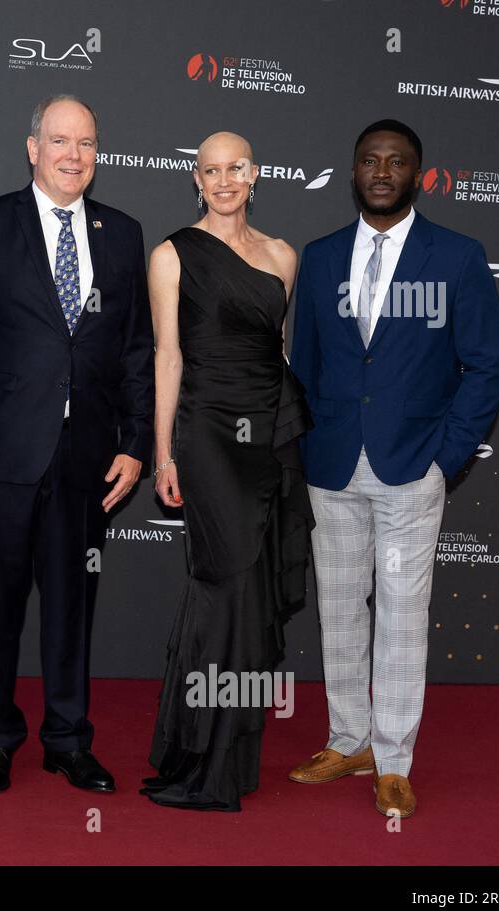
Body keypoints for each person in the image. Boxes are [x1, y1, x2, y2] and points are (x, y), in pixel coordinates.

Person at [288, 119, 499, 817]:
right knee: (340, 610)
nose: (382, 171)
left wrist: (446, 456)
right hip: (331, 463)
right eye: (369, 160)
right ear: (353, 171)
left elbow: (487, 365)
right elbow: (307, 365)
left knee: (403, 617)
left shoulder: (458, 256)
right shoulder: (320, 258)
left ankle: (394, 758)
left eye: (397, 161)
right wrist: (309, 447)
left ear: (419, 174)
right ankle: (348, 740)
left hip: (413, 466)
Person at [0, 95, 153, 795]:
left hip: (88, 460)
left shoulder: (123, 234)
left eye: (88, 144)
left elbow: (135, 350)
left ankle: (68, 739)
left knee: (72, 609)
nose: (75, 155)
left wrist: (136, 443)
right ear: (31, 147)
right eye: (61, 141)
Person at [139, 132, 312, 812]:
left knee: (251, 594)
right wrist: (164, 453)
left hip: (270, 432)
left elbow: (273, 350)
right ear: (196, 179)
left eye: (234, 168)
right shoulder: (172, 255)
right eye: (209, 170)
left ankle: (230, 759)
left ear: (255, 173)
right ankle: (199, 758)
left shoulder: (282, 257)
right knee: (225, 585)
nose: (223, 180)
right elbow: (168, 359)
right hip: (208, 434)